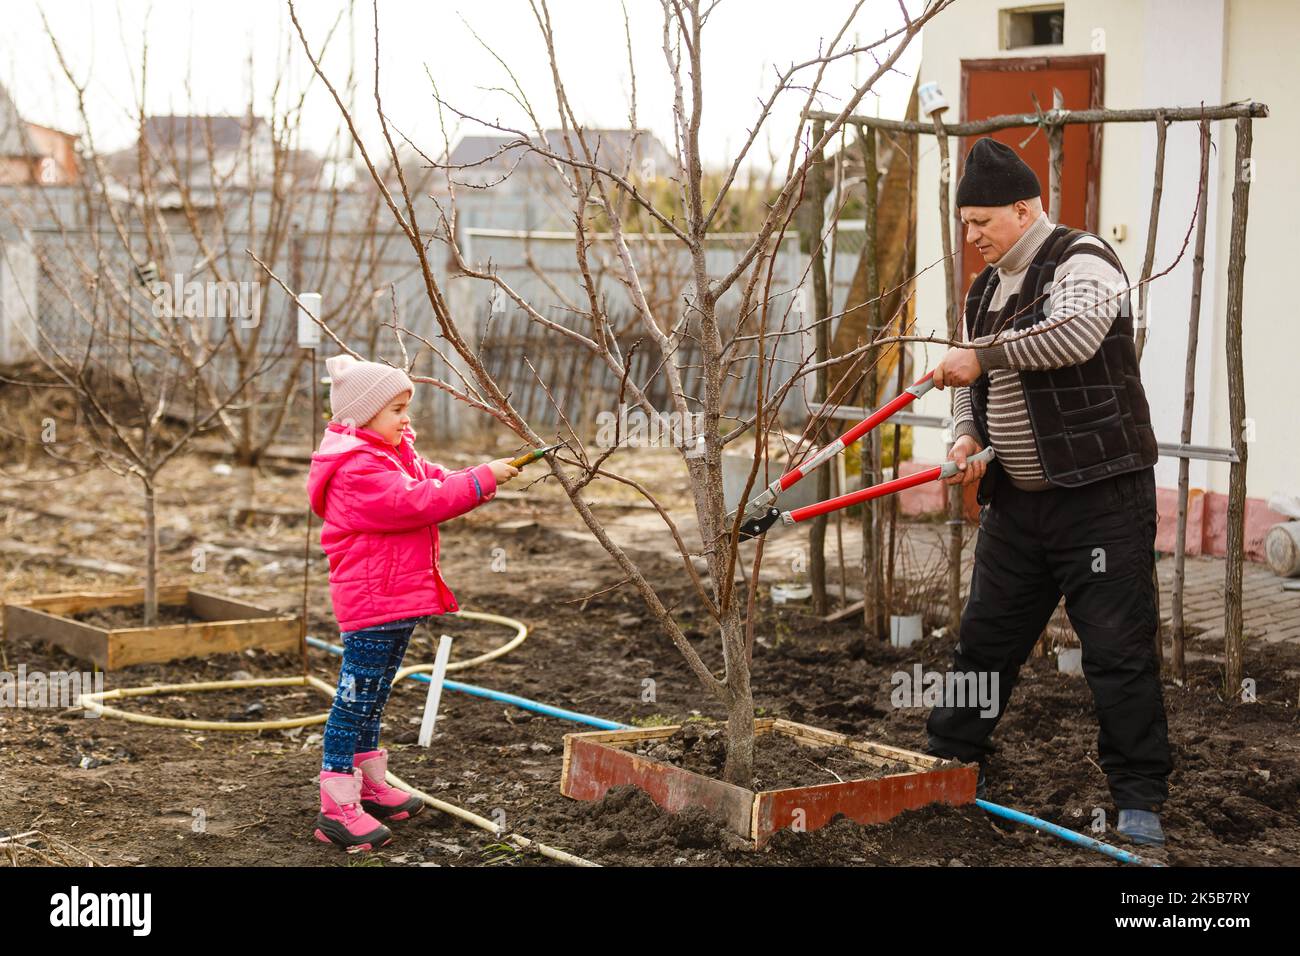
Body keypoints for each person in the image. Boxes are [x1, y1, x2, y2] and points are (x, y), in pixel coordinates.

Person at [925, 137, 1172, 847]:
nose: (970, 238)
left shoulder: (1081, 258)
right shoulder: (985, 289)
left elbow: (1075, 334)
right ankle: (950, 758)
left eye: (981, 222)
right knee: (984, 642)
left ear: (1024, 207)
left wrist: (981, 356)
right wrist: (966, 441)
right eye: (964, 224)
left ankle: (1139, 798)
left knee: (1117, 650)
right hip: (1019, 505)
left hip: (1100, 497)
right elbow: (975, 391)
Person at [305, 354, 519, 852]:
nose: (407, 419)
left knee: (375, 697)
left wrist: (482, 474)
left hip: (396, 601)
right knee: (354, 701)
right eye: (397, 409)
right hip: (372, 602)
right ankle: (336, 804)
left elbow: (435, 479)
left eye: (407, 408)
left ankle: (370, 784)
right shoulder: (357, 468)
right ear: (362, 415)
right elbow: (418, 501)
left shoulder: (391, 451)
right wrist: (482, 480)